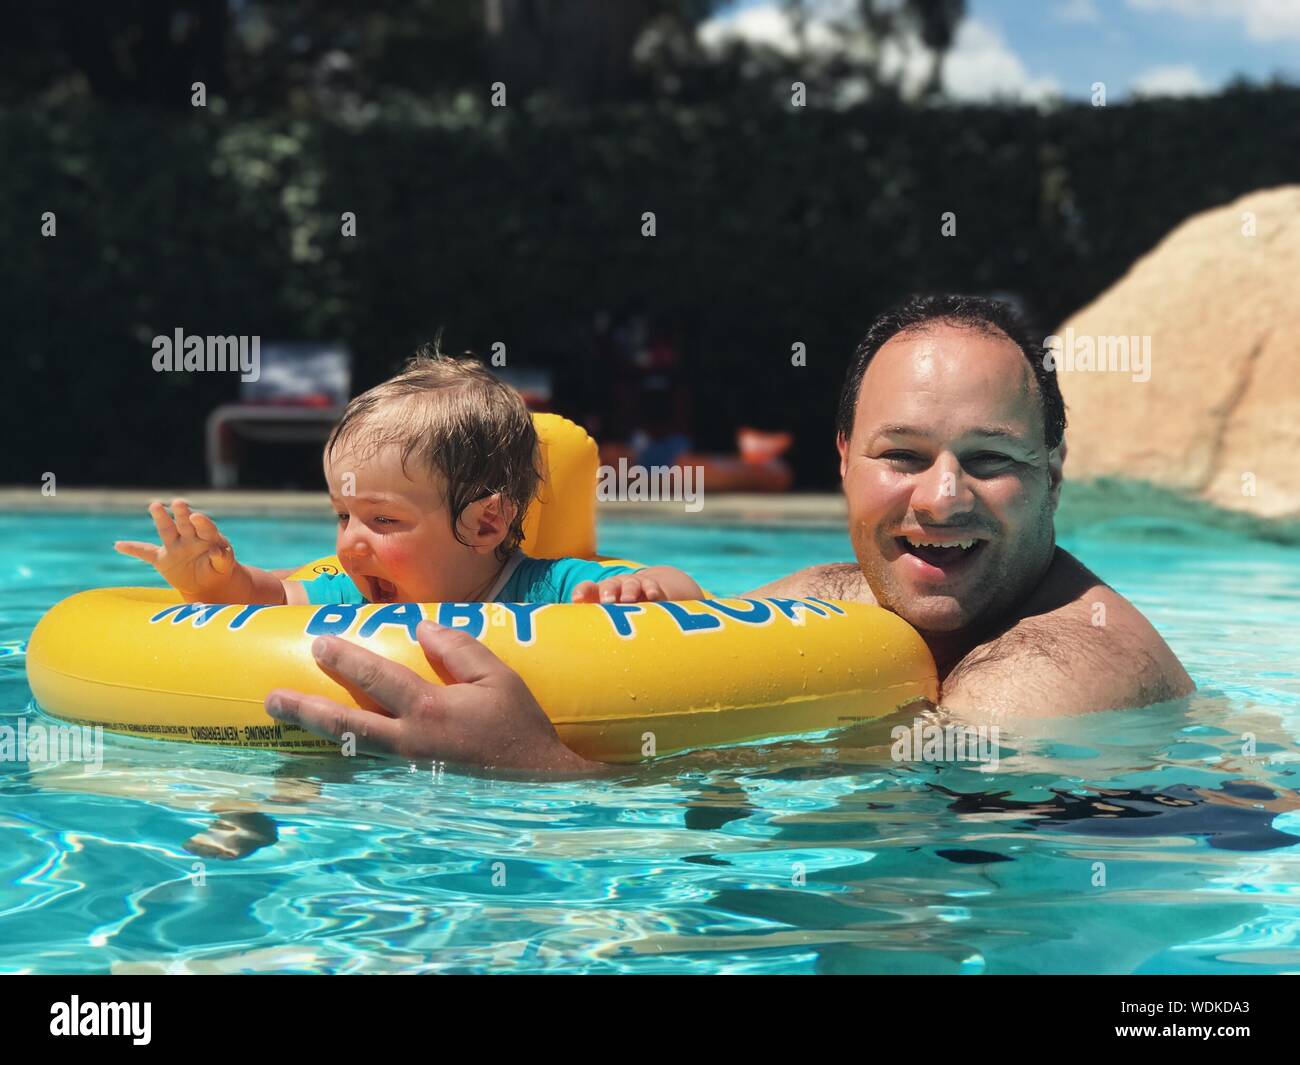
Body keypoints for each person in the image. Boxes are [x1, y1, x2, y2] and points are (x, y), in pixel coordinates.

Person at [263, 296, 1195, 772]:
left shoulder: (1047, 680)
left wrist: (534, 770)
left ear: (1055, 475)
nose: (942, 498)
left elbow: (920, 875)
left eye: (990, 459)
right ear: (842, 460)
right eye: (901, 453)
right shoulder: (829, 595)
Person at [115, 347, 704, 608]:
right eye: (343, 516)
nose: (350, 542)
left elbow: (680, 586)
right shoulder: (357, 589)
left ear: (485, 522)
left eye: (384, 519)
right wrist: (210, 578)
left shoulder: (544, 587)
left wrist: (643, 590)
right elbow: (266, 595)